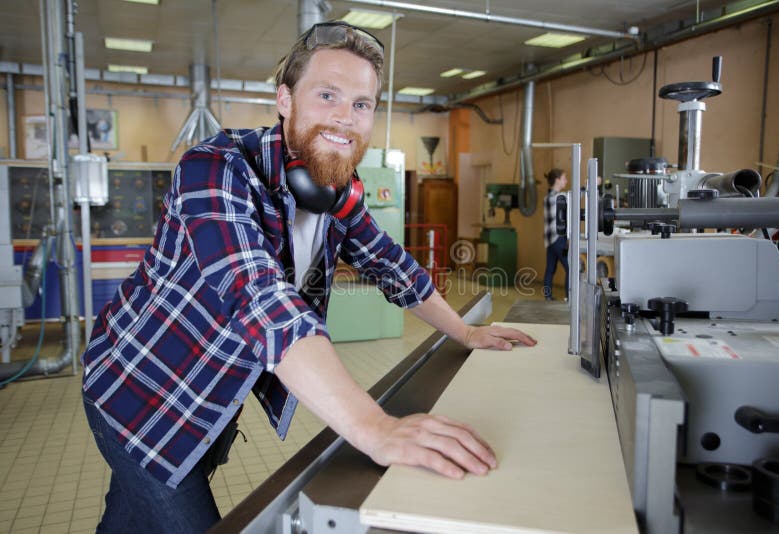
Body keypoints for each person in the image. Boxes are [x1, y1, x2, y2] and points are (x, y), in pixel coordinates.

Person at [81, 21, 537, 532]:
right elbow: (261, 298)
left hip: (205, 407)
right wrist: (373, 426)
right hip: (140, 395)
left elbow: (393, 265)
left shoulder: (335, 189)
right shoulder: (213, 170)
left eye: (362, 104)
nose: (346, 118)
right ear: (285, 100)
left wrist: (466, 330)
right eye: (327, 95)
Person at [543, 168, 569, 300]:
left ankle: (547, 297)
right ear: (557, 180)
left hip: (550, 240)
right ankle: (569, 298)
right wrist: (587, 187)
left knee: (550, 269)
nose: (566, 181)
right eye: (564, 178)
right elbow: (572, 196)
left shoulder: (548, 197)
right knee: (570, 268)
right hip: (558, 239)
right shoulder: (555, 198)